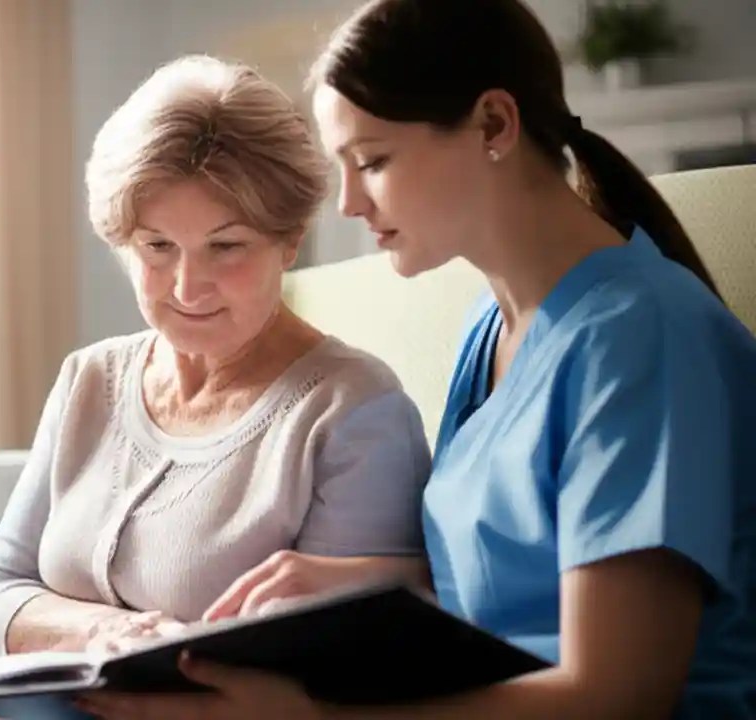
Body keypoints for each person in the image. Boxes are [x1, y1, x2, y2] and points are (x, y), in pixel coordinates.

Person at [77, 1, 756, 719]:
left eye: (372, 161)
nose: (347, 205)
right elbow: (523, 569)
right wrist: (362, 582)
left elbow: (617, 693)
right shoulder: (492, 329)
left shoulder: (638, 337)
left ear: (494, 124)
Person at [0, 53, 431, 693]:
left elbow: (336, 673)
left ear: (288, 239)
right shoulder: (87, 380)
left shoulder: (354, 411)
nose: (187, 285)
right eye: (157, 247)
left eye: (226, 246)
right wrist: (97, 636)